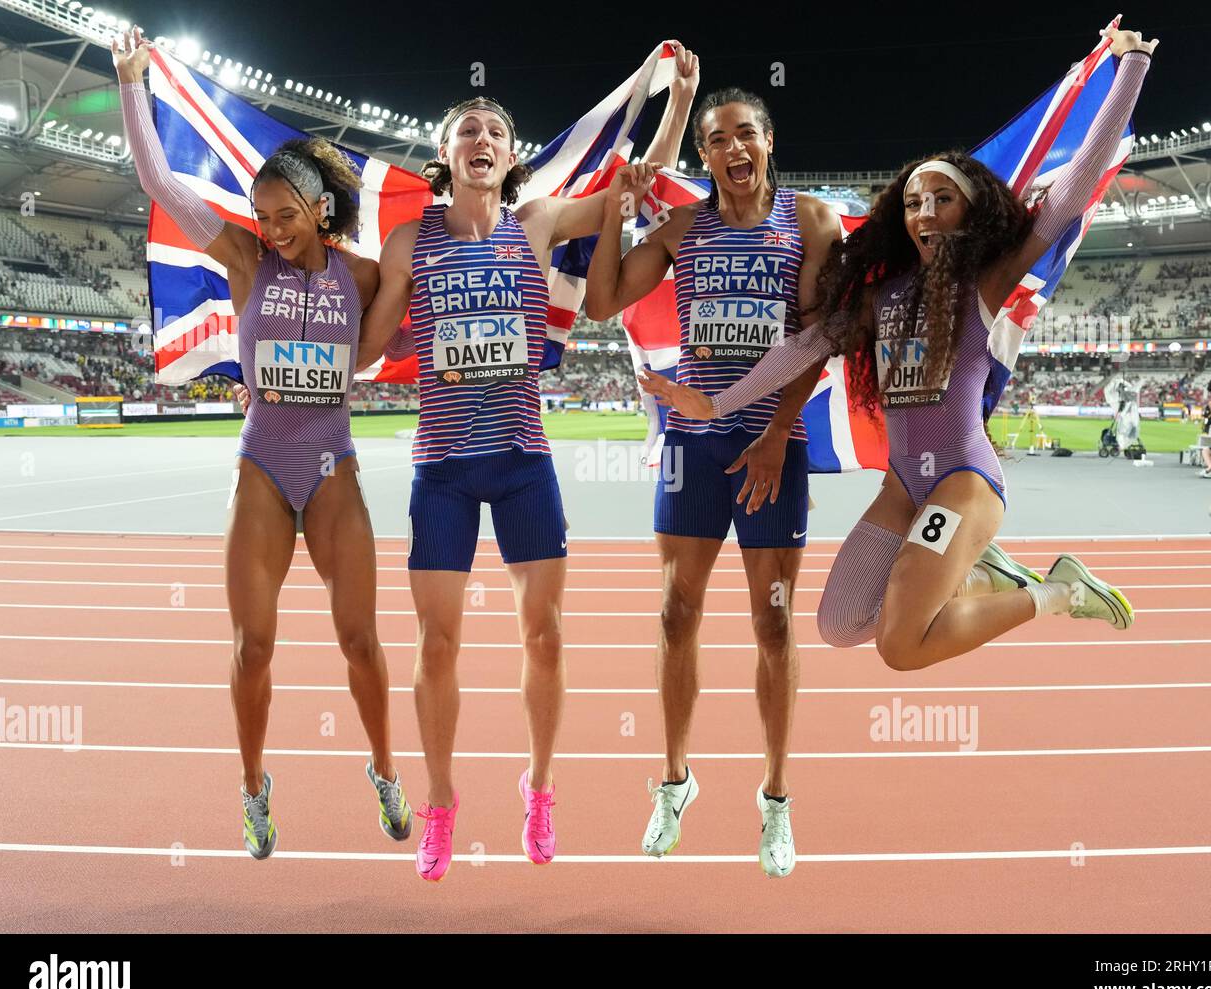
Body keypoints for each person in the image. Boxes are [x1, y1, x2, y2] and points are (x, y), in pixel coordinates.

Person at [640, 25, 1157, 679]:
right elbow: (800, 347)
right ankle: (977, 572)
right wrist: (715, 401)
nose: (926, 212)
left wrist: (1131, 65)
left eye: (943, 199)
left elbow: (1076, 185)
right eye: (914, 202)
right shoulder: (878, 300)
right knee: (839, 624)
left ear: (973, 212)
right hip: (903, 487)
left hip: (961, 487)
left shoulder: (986, 284)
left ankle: (1058, 592)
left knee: (900, 643)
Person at [359, 45, 700, 881]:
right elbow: (368, 347)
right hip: (440, 466)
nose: (481, 136)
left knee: (543, 637)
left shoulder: (538, 222)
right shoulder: (411, 241)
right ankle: (440, 802)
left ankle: (539, 787)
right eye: (466, 129)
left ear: (510, 157)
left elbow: (635, 185)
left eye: (495, 131)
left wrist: (680, 102)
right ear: (446, 158)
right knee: (437, 645)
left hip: (521, 460)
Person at [115, 26, 412, 859]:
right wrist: (133, 82)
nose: (272, 229)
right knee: (252, 646)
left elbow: (415, 264)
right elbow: (157, 178)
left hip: (333, 461)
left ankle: (386, 768)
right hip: (262, 461)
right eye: (262, 217)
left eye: (286, 216)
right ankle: (254, 787)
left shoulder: (359, 277)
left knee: (360, 637)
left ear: (322, 210)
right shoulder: (247, 261)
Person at [585, 88, 841, 877]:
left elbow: (820, 334)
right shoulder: (683, 227)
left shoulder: (809, 222)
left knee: (773, 626)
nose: (732, 150)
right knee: (674, 612)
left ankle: (775, 799)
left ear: (768, 142)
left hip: (773, 445)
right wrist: (609, 210)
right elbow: (600, 302)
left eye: (745, 135)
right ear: (702, 156)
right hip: (690, 444)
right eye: (716, 140)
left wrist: (772, 434)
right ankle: (673, 780)